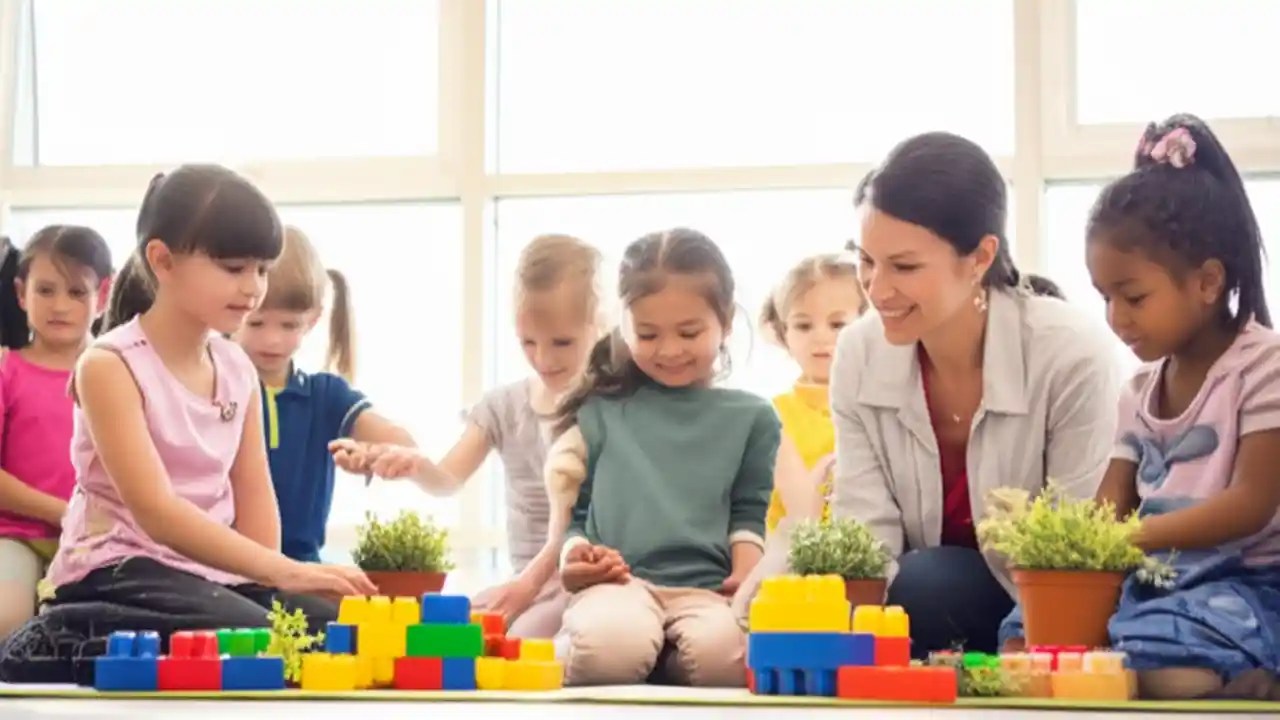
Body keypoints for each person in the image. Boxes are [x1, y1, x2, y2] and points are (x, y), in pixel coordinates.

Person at [4, 167, 375, 675]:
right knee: (263, 641)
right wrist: (281, 572)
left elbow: (254, 499)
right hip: (117, 571)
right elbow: (156, 512)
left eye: (262, 269)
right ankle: (56, 634)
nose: (253, 288)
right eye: (233, 267)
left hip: (204, 575)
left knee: (332, 631)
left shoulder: (236, 365)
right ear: (162, 260)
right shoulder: (110, 365)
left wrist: (278, 582)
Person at [831, 131, 1122, 656]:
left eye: (904, 266)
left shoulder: (1070, 354)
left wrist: (1026, 648)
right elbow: (864, 525)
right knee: (920, 585)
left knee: (927, 583)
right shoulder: (858, 352)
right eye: (866, 260)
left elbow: (1080, 540)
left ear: (980, 257)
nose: (875, 290)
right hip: (925, 600)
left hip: (1050, 605)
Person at [1028, 114, 1278, 700]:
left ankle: (1231, 678)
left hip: (1244, 583)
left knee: (1162, 665)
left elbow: (1251, 505)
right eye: (1105, 298)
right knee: (1027, 637)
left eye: (1134, 296)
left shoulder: (1263, 368)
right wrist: (1065, 551)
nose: (1116, 318)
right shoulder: (1138, 391)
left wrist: (1129, 539)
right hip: (1154, 578)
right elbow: (1109, 507)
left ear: (1208, 282)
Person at [538, 228, 778, 686]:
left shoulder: (753, 418)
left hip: (706, 591)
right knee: (609, 654)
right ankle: (638, 654)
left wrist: (746, 573)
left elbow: (748, 513)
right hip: (616, 586)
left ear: (725, 322)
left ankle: (657, 660)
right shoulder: (600, 413)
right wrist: (576, 555)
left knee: (723, 665)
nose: (669, 350)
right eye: (647, 334)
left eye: (689, 332)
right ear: (623, 327)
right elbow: (577, 517)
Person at [367, 234, 602, 638]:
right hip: (523, 584)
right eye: (528, 342)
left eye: (562, 342)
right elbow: (447, 480)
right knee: (432, 631)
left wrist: (528, 587)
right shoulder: (503, 406)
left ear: (599, 325)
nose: (544, 358)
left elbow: (580, 530)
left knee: (519, 640)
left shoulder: (609, 408)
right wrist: (418, 466)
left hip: (586, 581)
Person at [234, 226, 417, 562]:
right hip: (226, 568)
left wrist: (373, 453)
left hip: (303, 568)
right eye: (257, 323)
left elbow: (401, 441)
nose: (273, 340)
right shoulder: (215, 386)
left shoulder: (326, 395)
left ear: (314, 319)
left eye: (289, 325)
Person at [0, 226, 112, 638]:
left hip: (103, 544)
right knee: (6, 622)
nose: (60, 305)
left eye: (76, 292)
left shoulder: (125, 374)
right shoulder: (5, 370)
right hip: (16, 537)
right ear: (20, 293)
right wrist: (63, 512)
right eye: (45, 291)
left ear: (102, 295)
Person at [758, 252, 867, 533]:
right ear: (783, 333)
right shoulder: (771, 415)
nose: (820, 337)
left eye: (837, 324)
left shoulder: (880, 405)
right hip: (791, 557)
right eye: (804, 325)